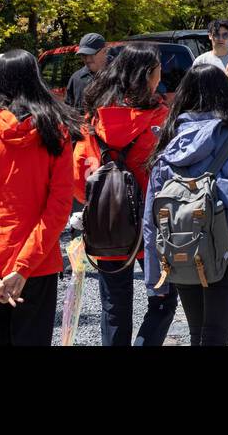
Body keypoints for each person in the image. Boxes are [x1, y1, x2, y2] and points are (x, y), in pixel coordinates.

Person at [0, 50, 79, 345]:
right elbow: (58, 208)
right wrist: (23, 267)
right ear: (36, 80)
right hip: (39, 263)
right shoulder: (56, 134)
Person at [144, 64, 228, 346]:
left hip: (180, 250)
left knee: (198, 332)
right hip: (226, 254)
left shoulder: (168, 148)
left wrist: (154, 276)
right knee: (216, 335)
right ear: (226, 96)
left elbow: (152, 219)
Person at [75, 43, 176, 346]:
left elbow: (79, 177)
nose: (161, 75)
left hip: (108, 226)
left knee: (114, 308)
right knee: (163, 300)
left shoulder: (95, 120)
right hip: (152, 227)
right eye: (158, 70)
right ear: (147, 75)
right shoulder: (159, 119)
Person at [192, 19, 228, 113]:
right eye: (216, 34)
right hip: (206, 118)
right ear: (210, 36)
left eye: (225, 35)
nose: (221, 38)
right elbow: (195, 94)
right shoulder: (200, 61)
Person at [65, 32, 108, 112]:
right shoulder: (76, 79)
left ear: (104, 51)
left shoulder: (119, 76)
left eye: (91, 54)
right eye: (83, 55)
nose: (87, 59)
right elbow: (69, 111)